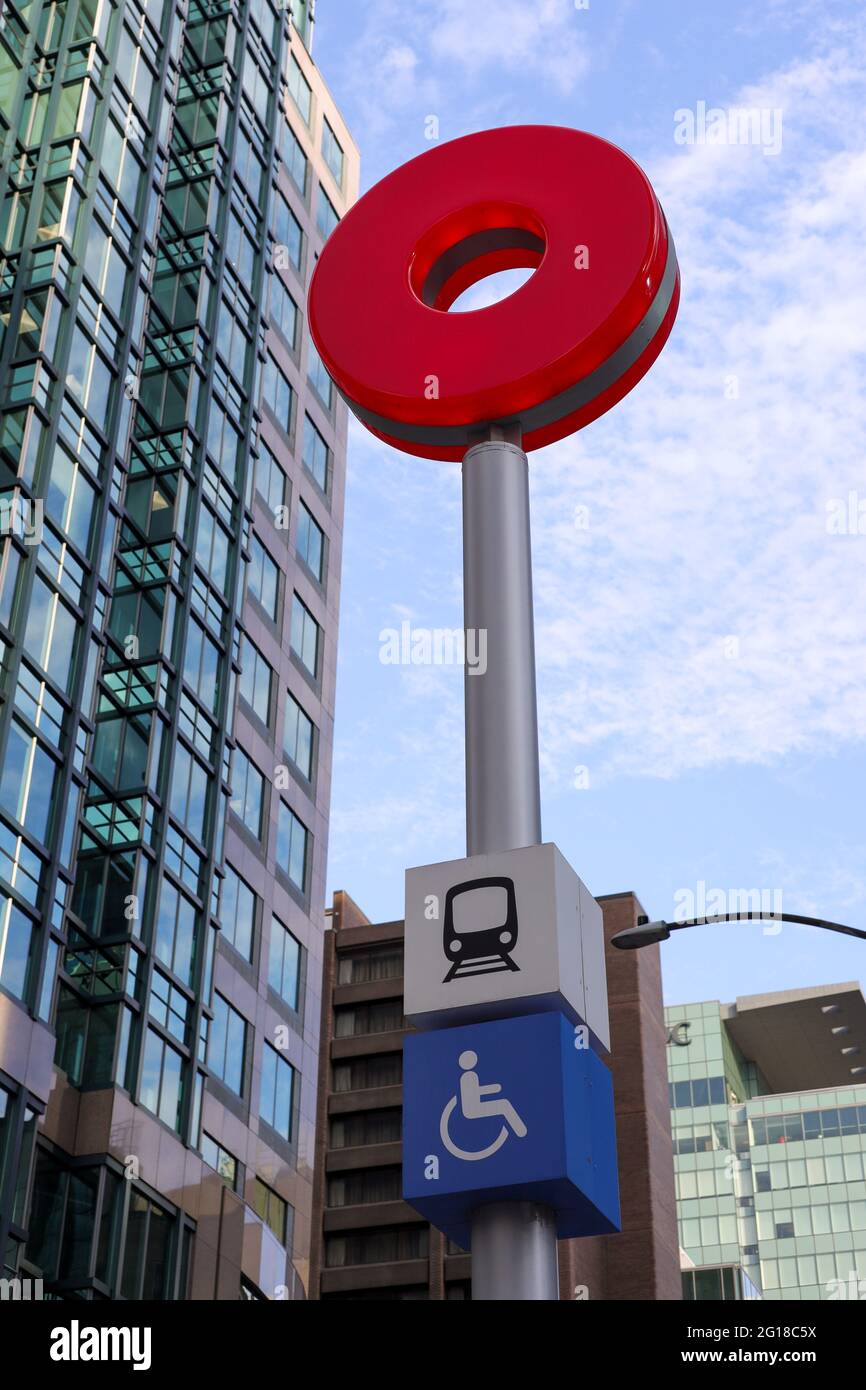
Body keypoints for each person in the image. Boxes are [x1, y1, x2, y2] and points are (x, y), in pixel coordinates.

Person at [457, 1050, 527, 1137]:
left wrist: (493, 1089)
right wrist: (494, 1088)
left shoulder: (470, 1075)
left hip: (476, 1106)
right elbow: (473, 1094)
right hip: (472, 1110)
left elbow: (476, 1093)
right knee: (504, 1105)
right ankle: (521, 1131)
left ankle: (520, 1130)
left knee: (503, 1104)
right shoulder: (469, 1076)